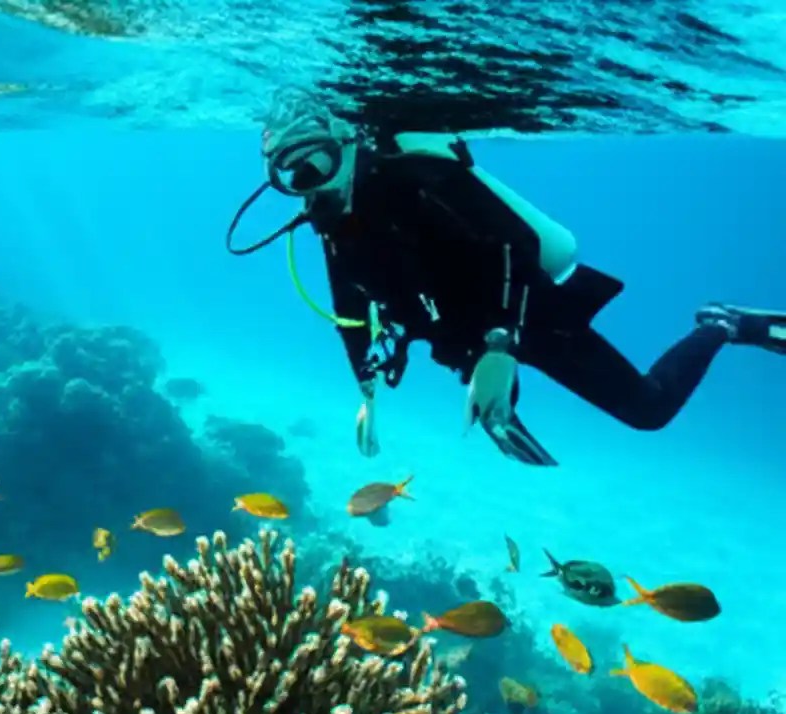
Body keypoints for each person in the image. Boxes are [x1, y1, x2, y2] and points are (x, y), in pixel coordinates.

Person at [226, 95, 786, 466]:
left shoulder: (422, 178)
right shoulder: (329, 225)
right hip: (459, 335)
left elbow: (514, 245)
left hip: (531, 317)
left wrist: (499, 346)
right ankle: (497, 402)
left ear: (347, 144)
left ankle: (721, 324)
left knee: (647, 410)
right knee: (495, 405)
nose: (309, 184)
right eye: (291, 175)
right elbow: (347, 305)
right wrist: (366, 390)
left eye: (317, 164)